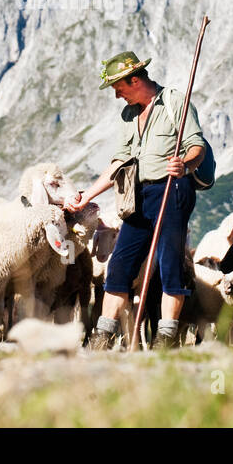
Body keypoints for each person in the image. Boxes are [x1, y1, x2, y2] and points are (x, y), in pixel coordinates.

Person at [65, 50, 205, 349]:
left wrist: (185, 164)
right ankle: (103, 335)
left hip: (172, 189)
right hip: (137, 195)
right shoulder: (129, 114)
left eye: (119, 89)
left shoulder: (174, 102)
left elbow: (197, 145)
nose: (118, 96)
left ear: (135, 79)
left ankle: (165, 336)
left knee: (170, 265)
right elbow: (120, 161)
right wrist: (87, 195)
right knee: (119, 265)